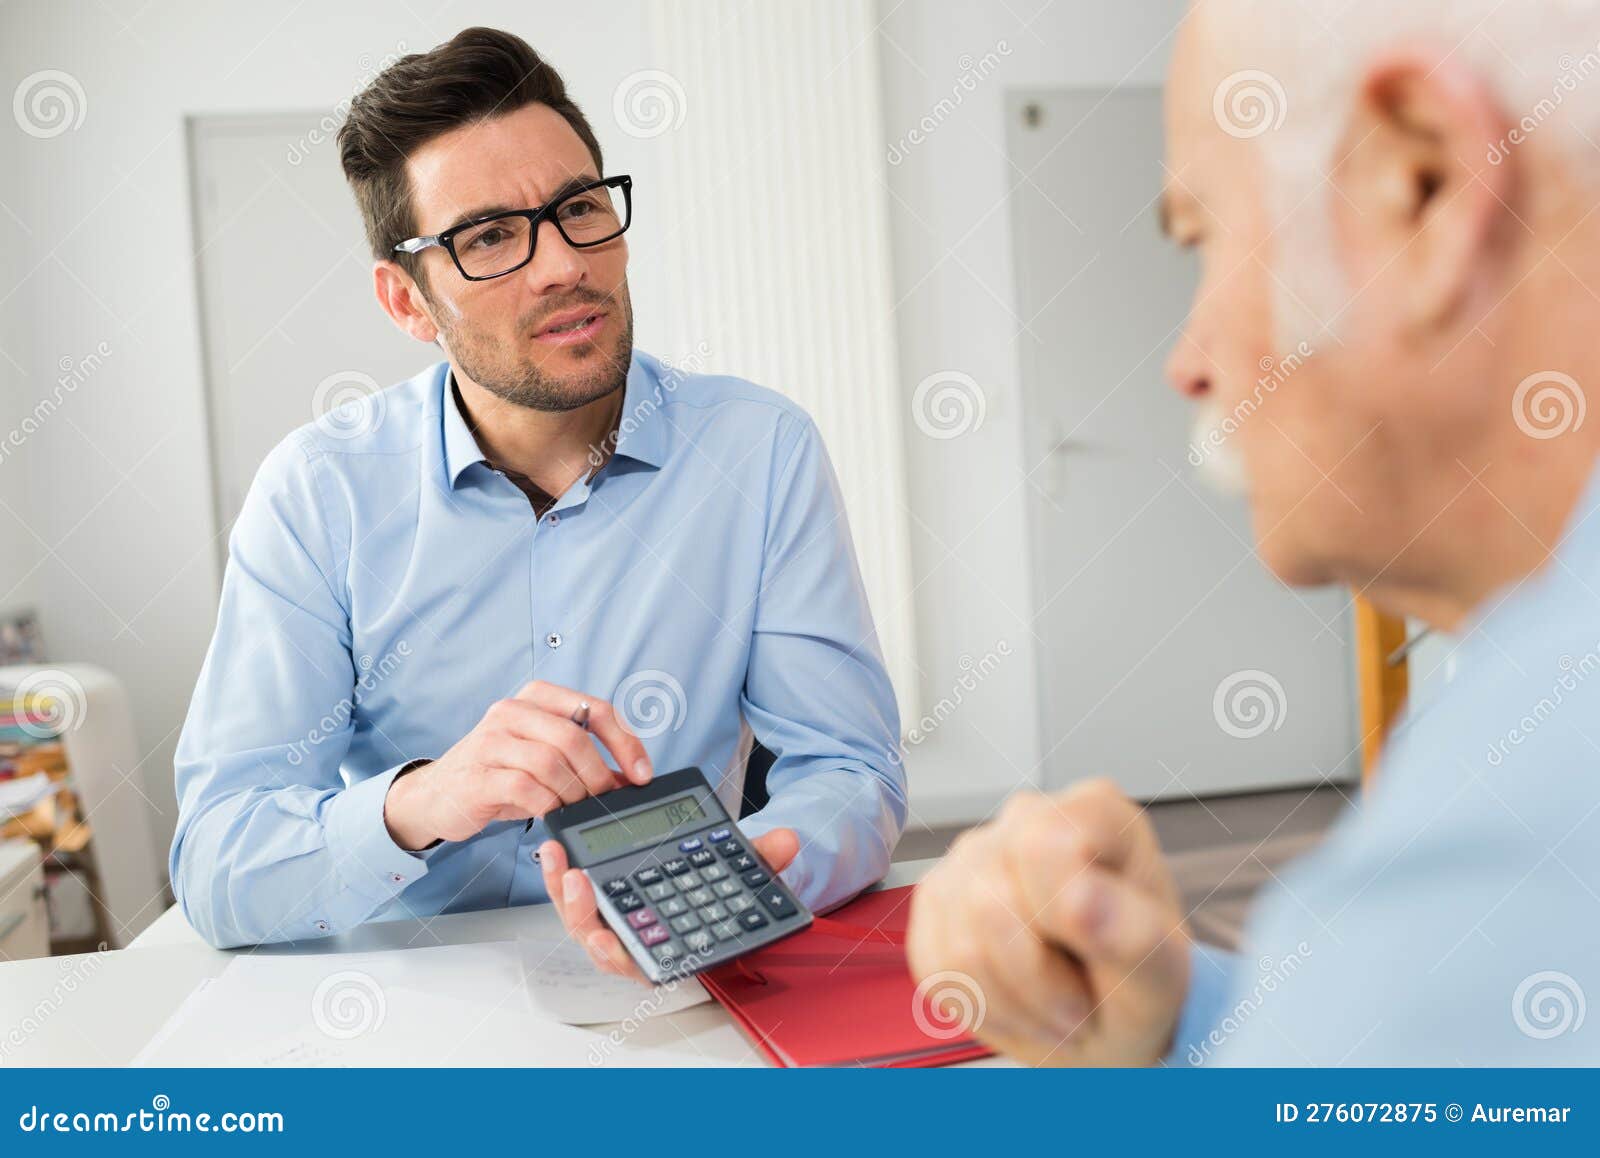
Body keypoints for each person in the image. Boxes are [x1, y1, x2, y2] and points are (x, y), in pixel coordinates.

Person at [907, 0, 1600, 1064]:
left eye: (1204, 234)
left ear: (1423, 184)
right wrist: (1174, 1015)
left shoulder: (1504, 849)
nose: (1185, 362)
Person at [170, 28, 904, 969]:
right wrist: (426, 799)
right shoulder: (318, 494)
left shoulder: (760, 452)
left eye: (580, 208)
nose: (563, 265)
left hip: (690, 980)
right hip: (413, 1010)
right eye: (489, 238)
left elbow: (849, 772)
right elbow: (220, 861)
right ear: (406, 302)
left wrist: (742, 879)